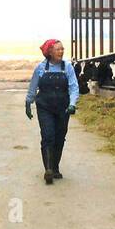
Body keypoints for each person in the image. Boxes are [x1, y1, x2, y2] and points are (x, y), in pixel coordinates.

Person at [24, 39, 79, 184]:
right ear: (49, 52)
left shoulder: (67, 67)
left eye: (62, 49)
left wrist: (72, 104)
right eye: (58, 49)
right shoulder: (41, 68)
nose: (61, 51)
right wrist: (28, 103)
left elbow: (74, 87)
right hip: (45, 107)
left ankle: (55, 167)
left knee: (60, 137)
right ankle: (48, 169)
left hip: (63, 107)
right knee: (48, 135)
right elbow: (33, 87)